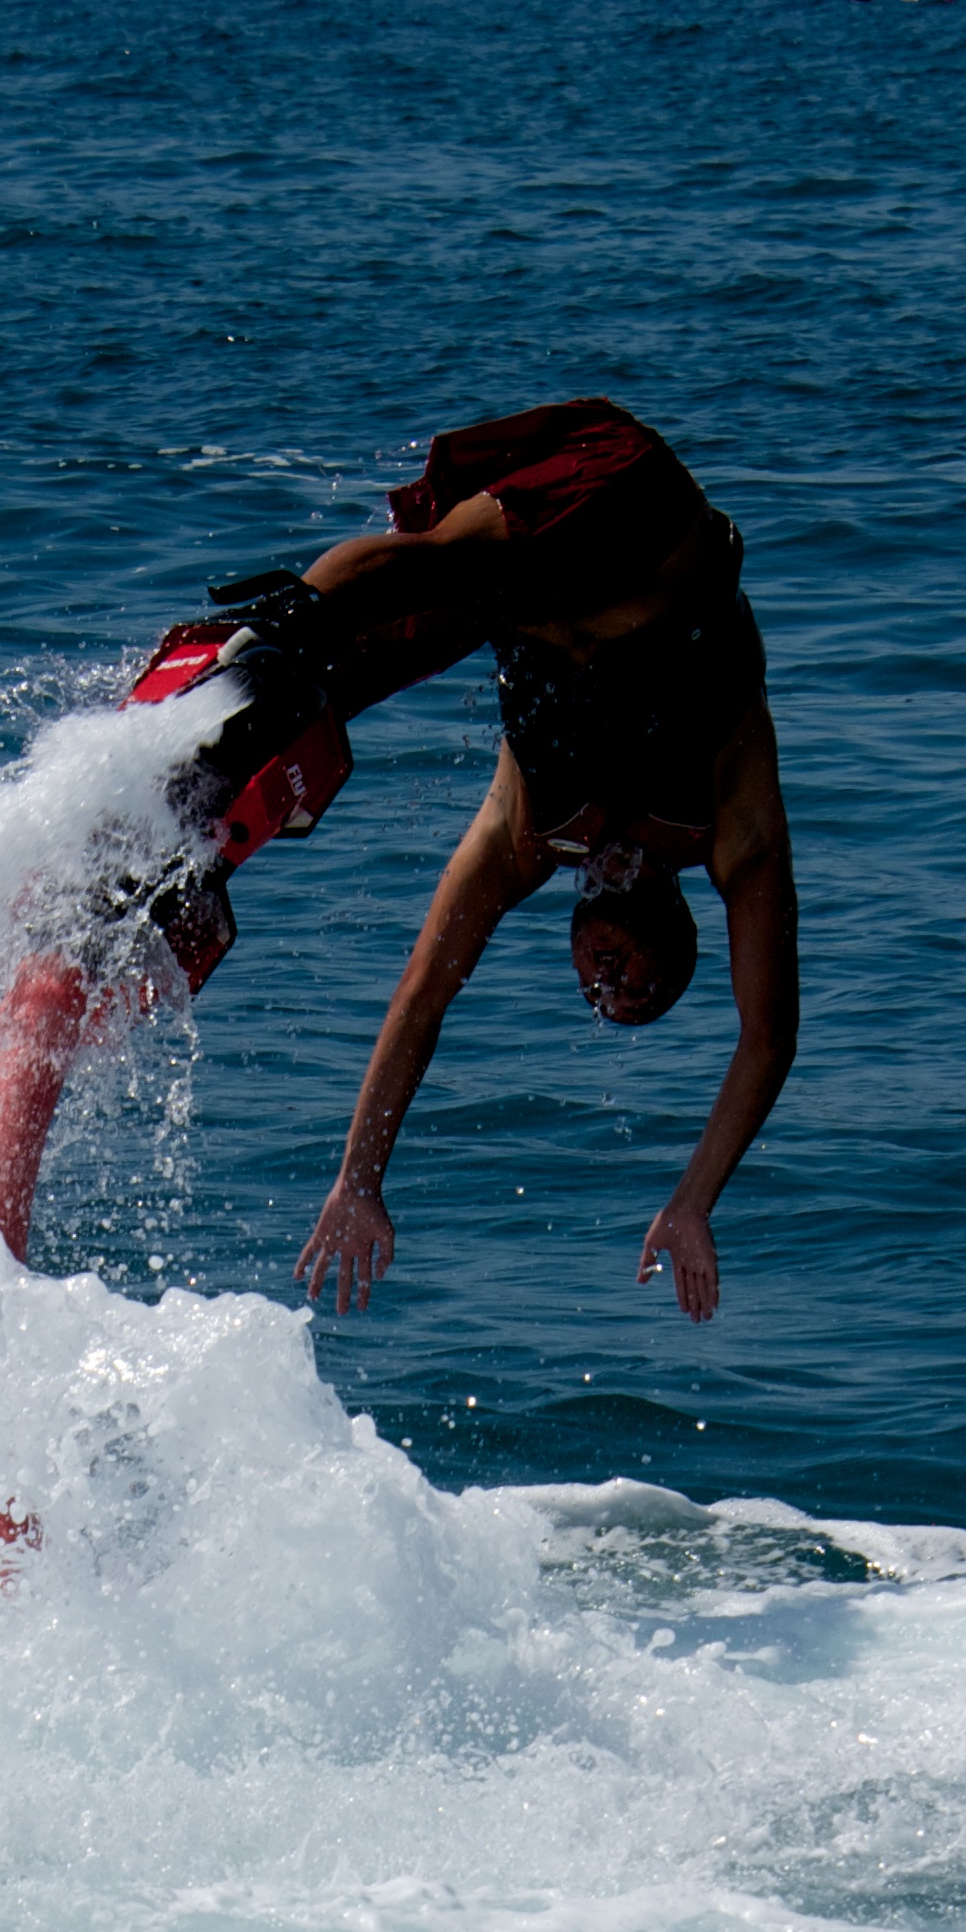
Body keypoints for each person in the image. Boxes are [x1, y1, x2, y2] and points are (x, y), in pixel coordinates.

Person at [247, 400, 798, 1324]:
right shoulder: (734, 835)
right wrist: (694, 1200)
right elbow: (767, 1038)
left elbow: (421, 994)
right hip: (634, 518)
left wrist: (359, 1181)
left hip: (533, 607)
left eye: (597, 998)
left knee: (375, 650)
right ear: (676, 934)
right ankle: (259, 644)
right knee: (435, 571)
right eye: (636, 993)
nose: (608, 991)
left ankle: (229, 688)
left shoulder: (525, 842)